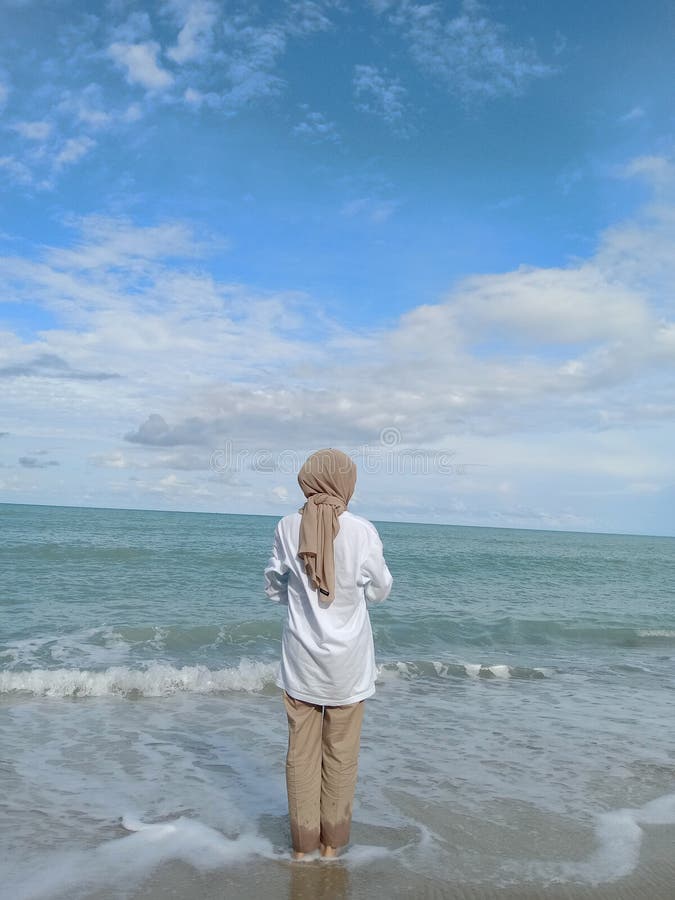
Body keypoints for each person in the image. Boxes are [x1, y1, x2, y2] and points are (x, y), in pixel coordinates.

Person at [264, 448, 393, 859]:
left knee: (300, 756)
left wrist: (298, 600)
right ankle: (332, 848)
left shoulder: (287, 526)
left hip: (300, 659)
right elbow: (381, 588)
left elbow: (272, 586)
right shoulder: (362, 530)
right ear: (346, 482)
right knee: (341, 756)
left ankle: (301, 849)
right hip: (349, 665)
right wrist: (355, 596)